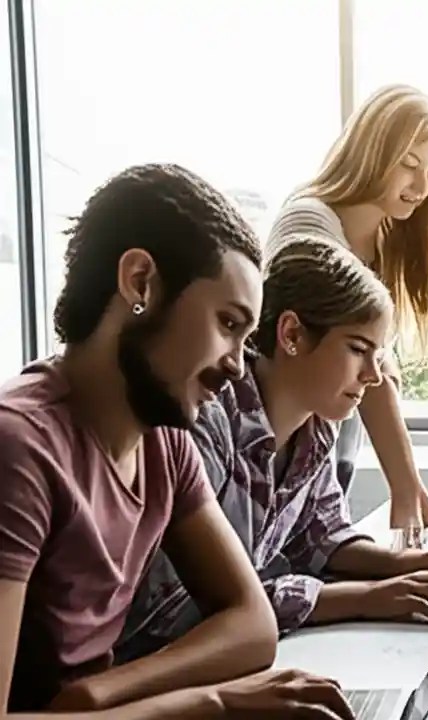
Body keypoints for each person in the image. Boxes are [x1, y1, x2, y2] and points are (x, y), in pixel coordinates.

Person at [0, 163, 351, 717]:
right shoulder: (19, 448)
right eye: (228, 325)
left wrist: (102, 693)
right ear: (140, 282)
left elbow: (252, 622)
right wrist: (214, 702)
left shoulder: (164, 444)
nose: (237, 367)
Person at [117, 234, 428, 662]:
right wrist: (365, 597)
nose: (373, 377)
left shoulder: (316, 429)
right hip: (155, 662)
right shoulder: (207, 422)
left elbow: (321, 538)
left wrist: (407, 566)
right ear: (292, 334)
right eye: (358, 349)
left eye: (377, 356)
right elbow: (179, 606)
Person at [268, 84, 428, 529]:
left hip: (328, 449)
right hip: (275, 454)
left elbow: (376, 369)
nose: (420, 186)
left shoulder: (386, 238)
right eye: (408, 165)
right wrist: (406, 492)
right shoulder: (309, 221)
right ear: (371, 152)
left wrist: (411, 492)